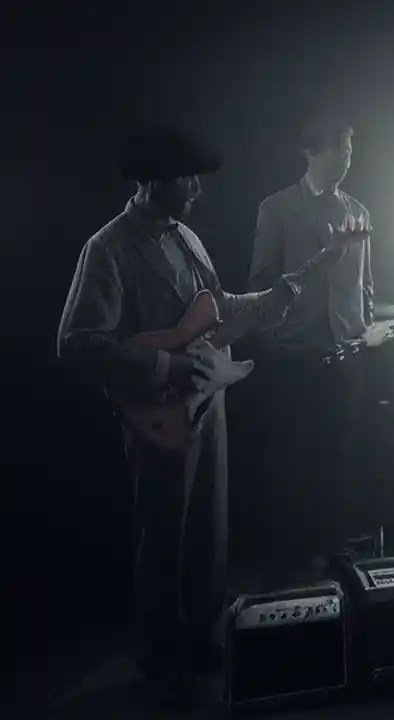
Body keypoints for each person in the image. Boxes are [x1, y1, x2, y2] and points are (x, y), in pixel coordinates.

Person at [56, 129, 293, 708]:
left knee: (209, 529)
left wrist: (271, 300)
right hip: (157, 412)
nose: (196, 190)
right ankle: (162, 654)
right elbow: (78, 341)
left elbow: (213, 308)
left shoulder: (187, 238)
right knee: (164, 535)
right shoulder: (108, 248)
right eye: (185, 179)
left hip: (208, 402)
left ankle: (203, 639)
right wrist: (165, 367)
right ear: (152, 182)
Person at [248, 116, 374, 579]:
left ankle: (333, 547)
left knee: (340, 456)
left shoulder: (358, 209)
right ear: (310, 153)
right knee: (293, 460)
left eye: (349, 149)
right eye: (338, 149)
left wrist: (365, 329)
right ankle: (291, 557)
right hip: (295, 355)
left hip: (346, 353)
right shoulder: (277, 209)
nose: (346, 158)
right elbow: (260, 282)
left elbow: (366, 284)